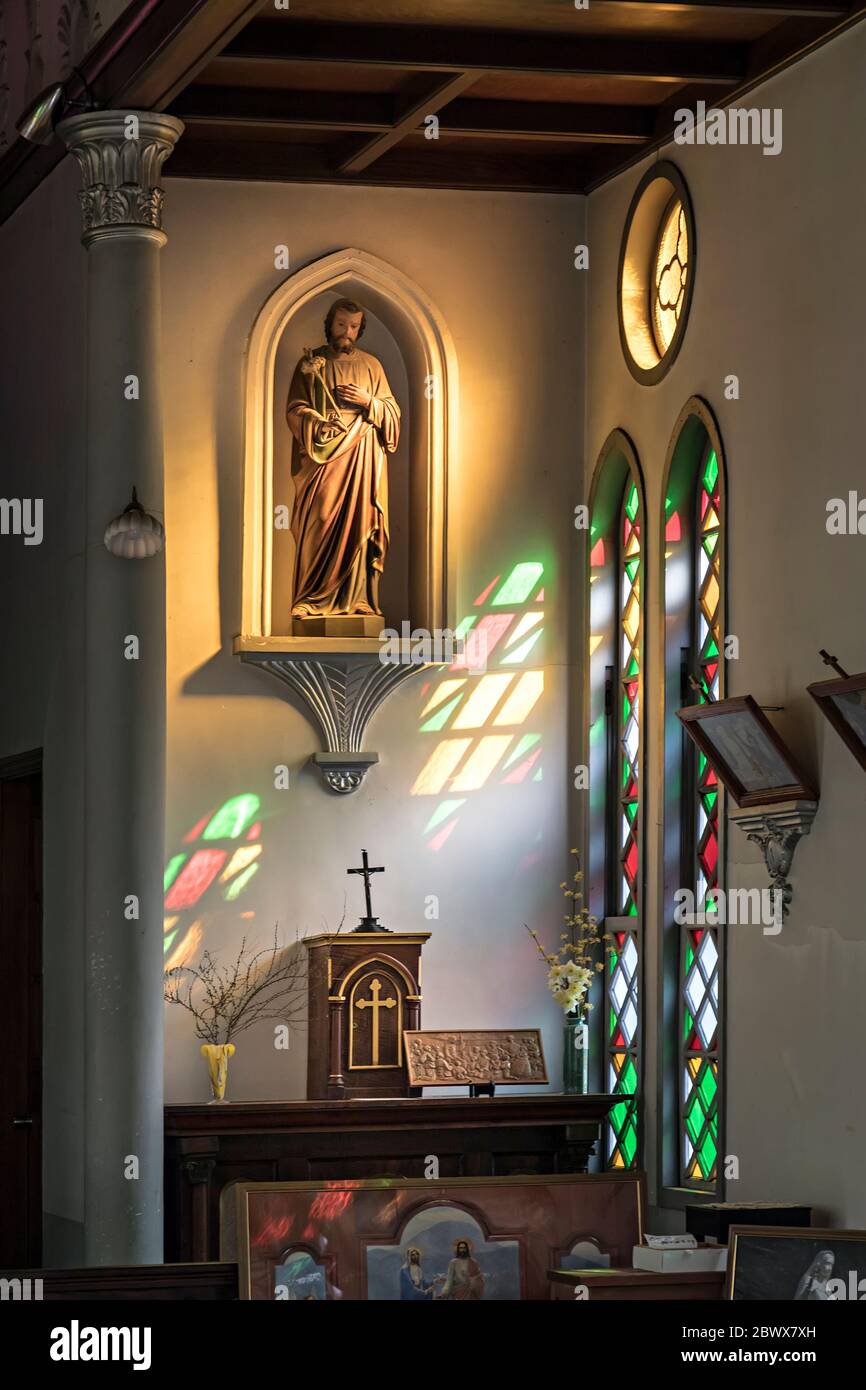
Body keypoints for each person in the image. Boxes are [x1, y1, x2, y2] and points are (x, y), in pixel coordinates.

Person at [286, 299, 400, 622]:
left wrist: (369, 402)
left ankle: (360, 597)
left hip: (362, 455)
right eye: (341, 325)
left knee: (361, 521)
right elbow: (295, 410)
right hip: (323, 458)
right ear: (329, 325)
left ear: (360, 329)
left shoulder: (372, 366)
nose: (347, 332)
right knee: (320, 519)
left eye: (353, 327)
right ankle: (310, 596)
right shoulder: (310, 363)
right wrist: (319, 424)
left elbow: (392, 416)